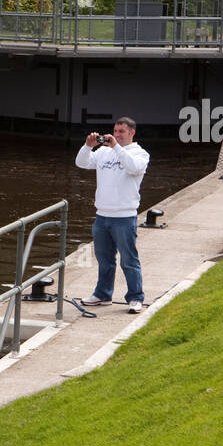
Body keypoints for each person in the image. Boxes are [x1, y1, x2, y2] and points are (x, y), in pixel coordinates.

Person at [75, 116, 150, 314]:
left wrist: (117, 147)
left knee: (129, 260)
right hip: (102, 215)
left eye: (121, 132)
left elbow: (134, 168)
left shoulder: (140, 154)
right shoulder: (103, 152)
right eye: (115, 131)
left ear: (132, 133)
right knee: (104, 259)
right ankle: (103, 294)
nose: (116, 135)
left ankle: (135, 297)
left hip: (124, 217)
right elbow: (81, 163)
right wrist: (87, 146)